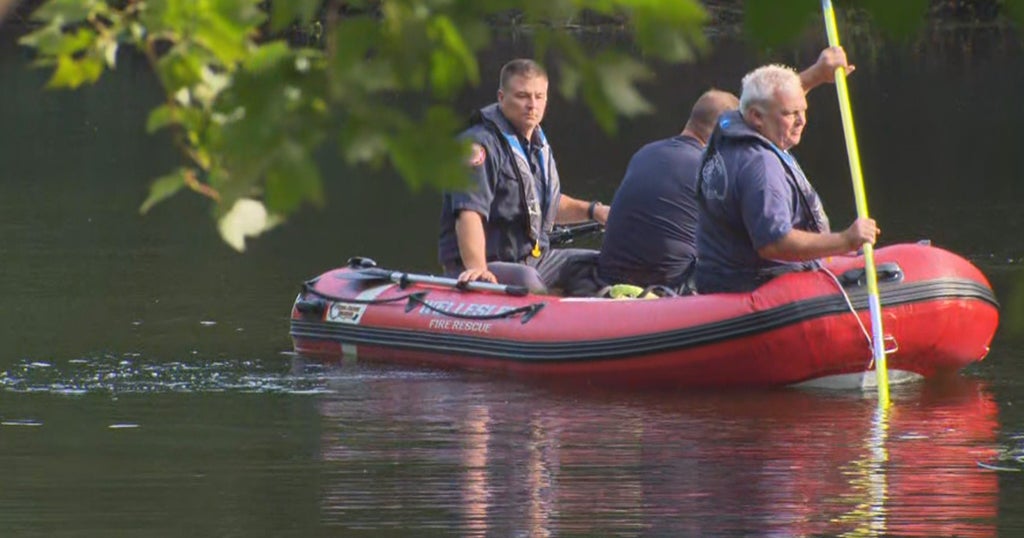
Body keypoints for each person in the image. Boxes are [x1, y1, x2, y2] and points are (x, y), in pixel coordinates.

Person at [597, 47, 856, 294]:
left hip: (611, 277)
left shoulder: (647, 152)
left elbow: (768, 107)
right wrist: (844, 241)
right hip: (672, 288)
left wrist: (815, 75)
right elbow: (764, 112)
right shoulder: (716, 167)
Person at [694, 59, 879, 294]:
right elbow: (773, 243)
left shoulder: (730, 130)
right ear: (757, 116)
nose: (802, 121)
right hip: (754, 283)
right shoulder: (760, 165)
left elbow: (775, 101)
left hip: (718, 276)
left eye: (804, 110)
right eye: (791, 114)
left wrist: (817, 75)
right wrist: (845, 241)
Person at [438, 59, 609, 296]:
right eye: (522, 96)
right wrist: (477, 269)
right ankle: (546, 314)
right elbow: (469, 213)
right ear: (501, 97)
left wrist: (594, 211)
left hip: (534, 260)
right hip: (488, 264)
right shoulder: (478, 146)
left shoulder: (535, 144)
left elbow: (541, 206)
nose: (532, 105)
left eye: (539, 97)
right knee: (526, 279)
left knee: (599, 264)